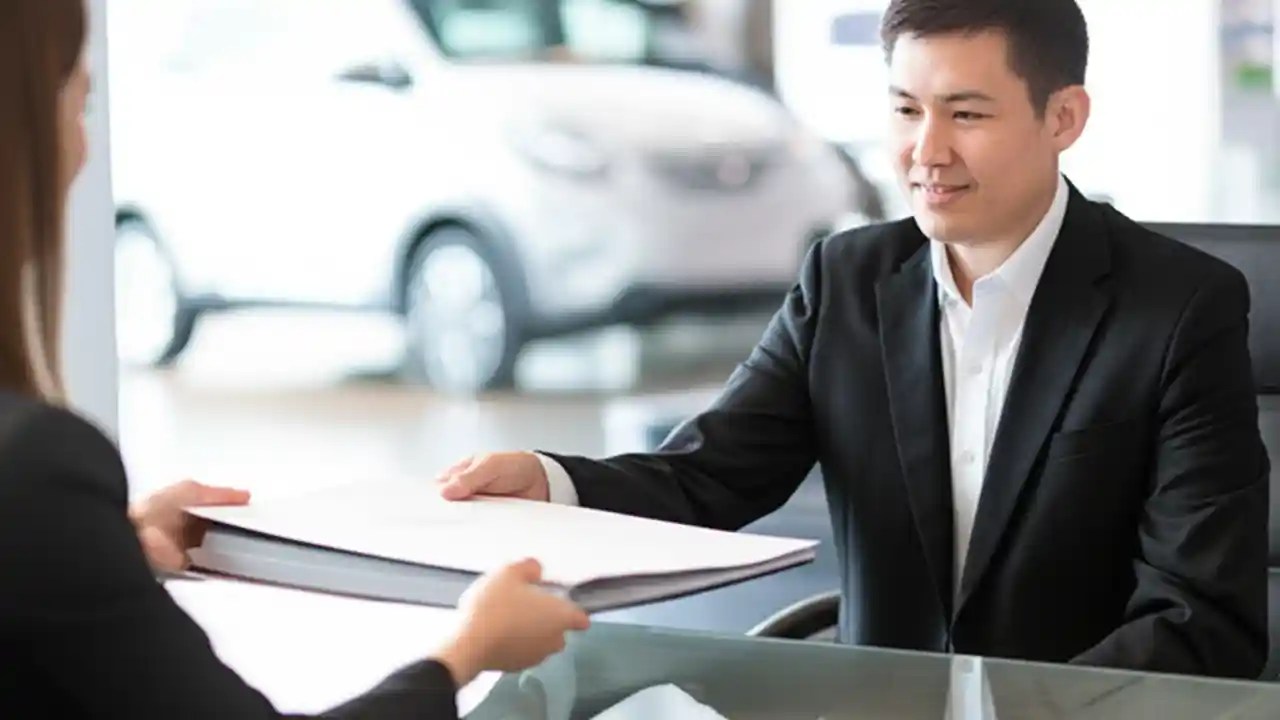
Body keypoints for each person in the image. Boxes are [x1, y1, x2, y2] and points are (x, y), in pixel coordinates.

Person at [438, 0, 1272, 679]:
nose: (926, 151)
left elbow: (1199, 616)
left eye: (967, 113)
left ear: (1064, 117)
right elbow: (711, 475)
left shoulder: (1178, 307)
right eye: (906, 109)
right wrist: (550, 482)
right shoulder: (846, 280)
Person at [0, 1, 589, 717]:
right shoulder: (36, 467)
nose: (84, 150)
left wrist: (102, 542)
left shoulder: (39, 489)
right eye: (79, 103)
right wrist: (468, 650)